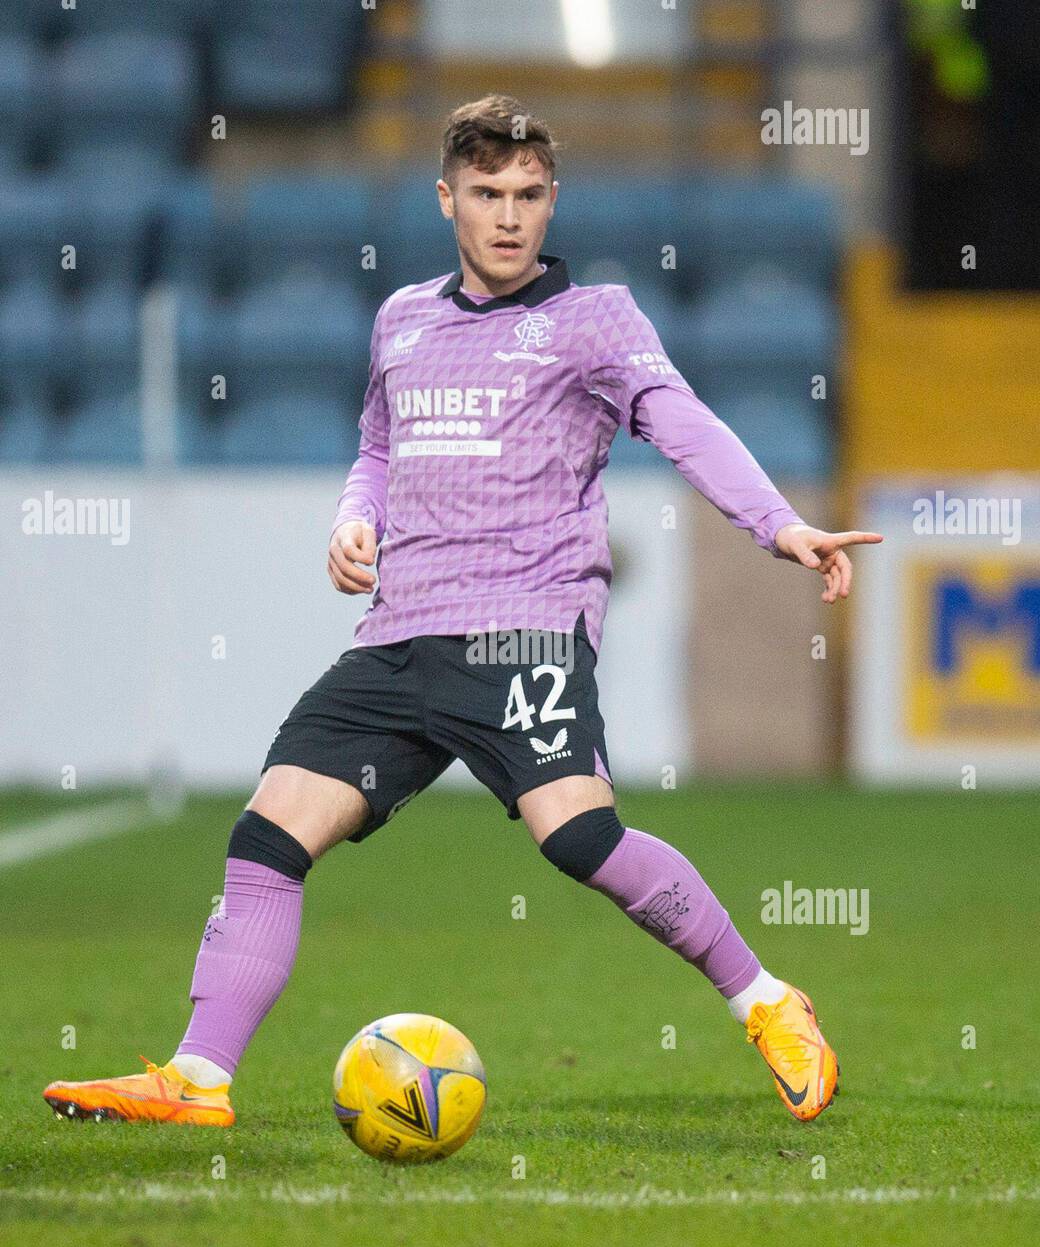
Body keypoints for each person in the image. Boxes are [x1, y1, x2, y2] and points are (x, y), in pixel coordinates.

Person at [44, 95, 881, 1130]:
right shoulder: (401, 319)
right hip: (398, 635)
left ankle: (765, 1000)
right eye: (486, 194)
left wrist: (776, 524)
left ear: (551, 202)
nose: (508, 216)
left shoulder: (593, 320)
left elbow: (683, 424)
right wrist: (354, 519)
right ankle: (199, 1077)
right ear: (446, 199)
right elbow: (379, 448)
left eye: (528, 195)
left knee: (576, 839)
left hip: (522, 625)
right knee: (267, 835)